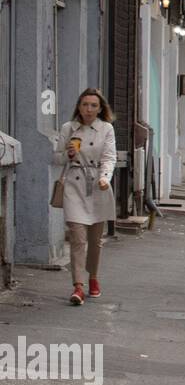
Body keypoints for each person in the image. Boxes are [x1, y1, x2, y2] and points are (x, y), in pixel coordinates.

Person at [55, 88, 117, 305]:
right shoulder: (68, 128)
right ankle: (78, 286)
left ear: (100, 109)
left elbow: (110, 157)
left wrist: (105, 178)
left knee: (95, 240)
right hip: (74, 184)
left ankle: (93, 277)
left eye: (93, 105)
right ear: (78, 106)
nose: (88, 109)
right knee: (77, 238)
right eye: (84, 104)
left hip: (98, 186)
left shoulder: (106, 129)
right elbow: (55, 157)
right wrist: (68, 154)